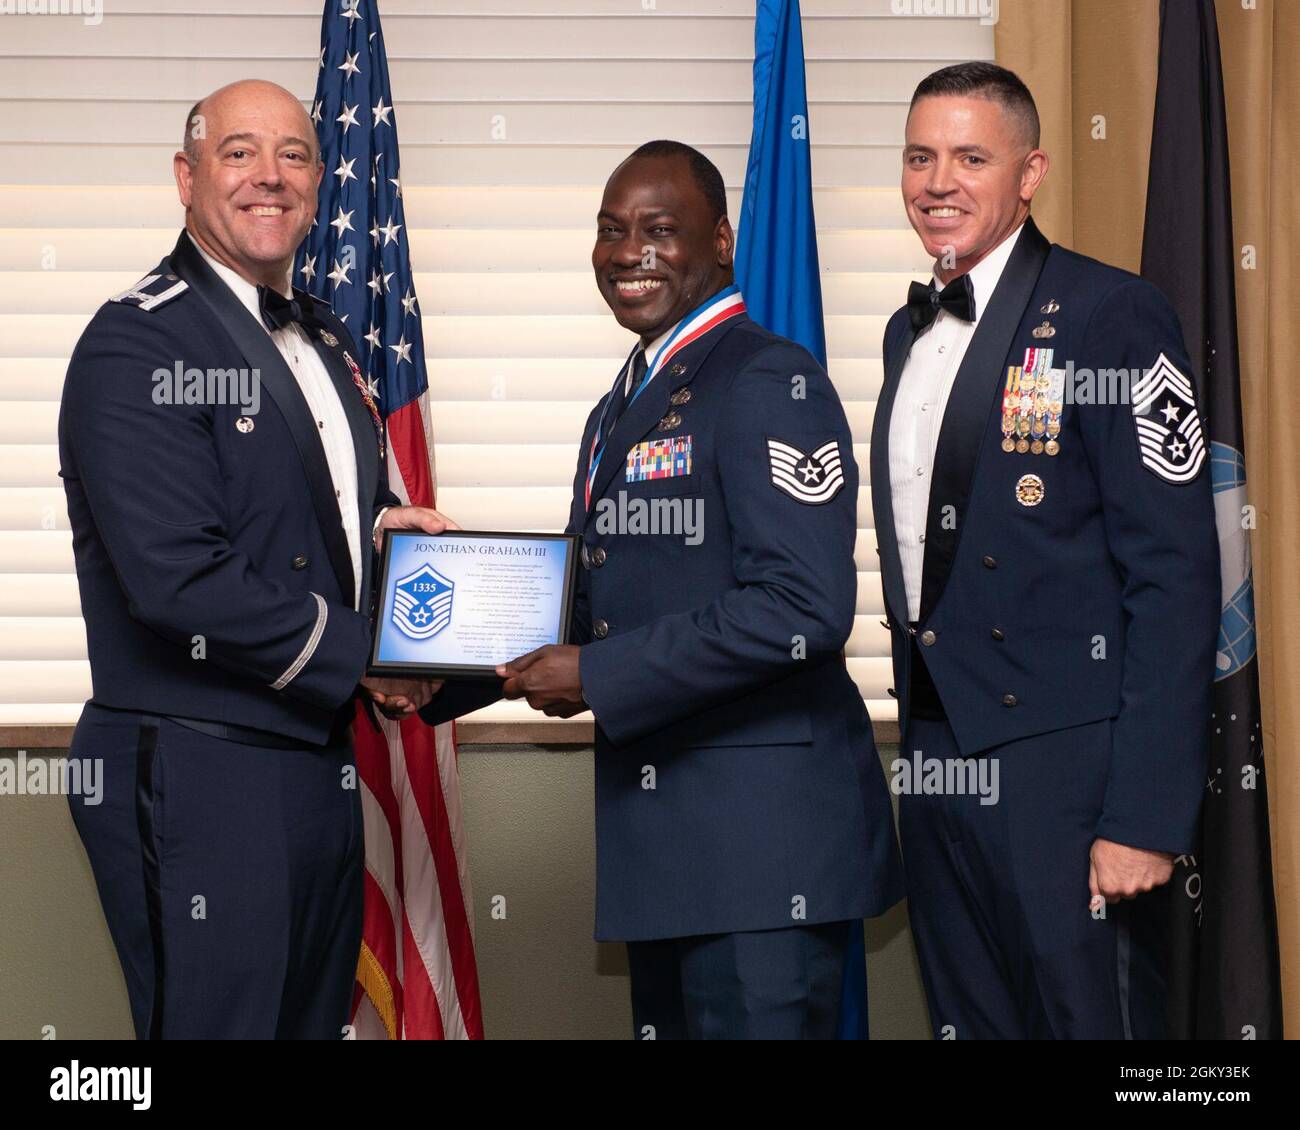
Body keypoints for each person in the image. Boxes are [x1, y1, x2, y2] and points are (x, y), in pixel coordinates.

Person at [422, 140, 904, 1040]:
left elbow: (804, 608)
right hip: (669, 855)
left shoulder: (767, 377)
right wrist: (426, 670)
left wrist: (596, 675)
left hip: (764, 859)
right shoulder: (622, 402)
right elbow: (587, 599)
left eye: (658, 229)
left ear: (720, 241)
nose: (627, 251)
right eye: (610, 230)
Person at [59, 80, 444, 1039]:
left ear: (318, 182)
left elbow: (325, 526)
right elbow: (175, 578)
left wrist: (399, 549)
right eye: (239, 153)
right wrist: (370, 654)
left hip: (313, 763)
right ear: (187, 178)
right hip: (198, 767)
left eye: (294, 155)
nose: (269, 177)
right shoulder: (136, 341)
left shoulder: (322, 333)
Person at [871, 62, 1219, 1038]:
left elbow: (1174, 577)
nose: (937, 181)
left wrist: (1144, 816)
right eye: (920, 156)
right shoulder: (907, 331)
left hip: (1070, 774)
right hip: (938, 762)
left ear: (1030, 172)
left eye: (970, 157)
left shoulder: (1113, 314)